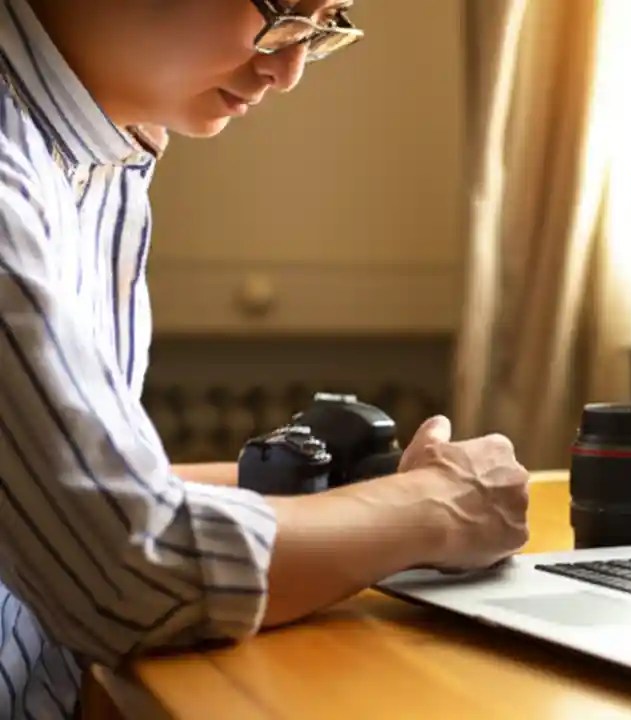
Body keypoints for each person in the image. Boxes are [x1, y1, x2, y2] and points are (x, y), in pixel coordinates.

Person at [0, 1, 531, 717]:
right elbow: (126, 573)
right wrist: (435, 507)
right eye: (283, 8)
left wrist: (358, 500)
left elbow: (65, 499)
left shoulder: (85, 152)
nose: (289, 69)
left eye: (327, 22)